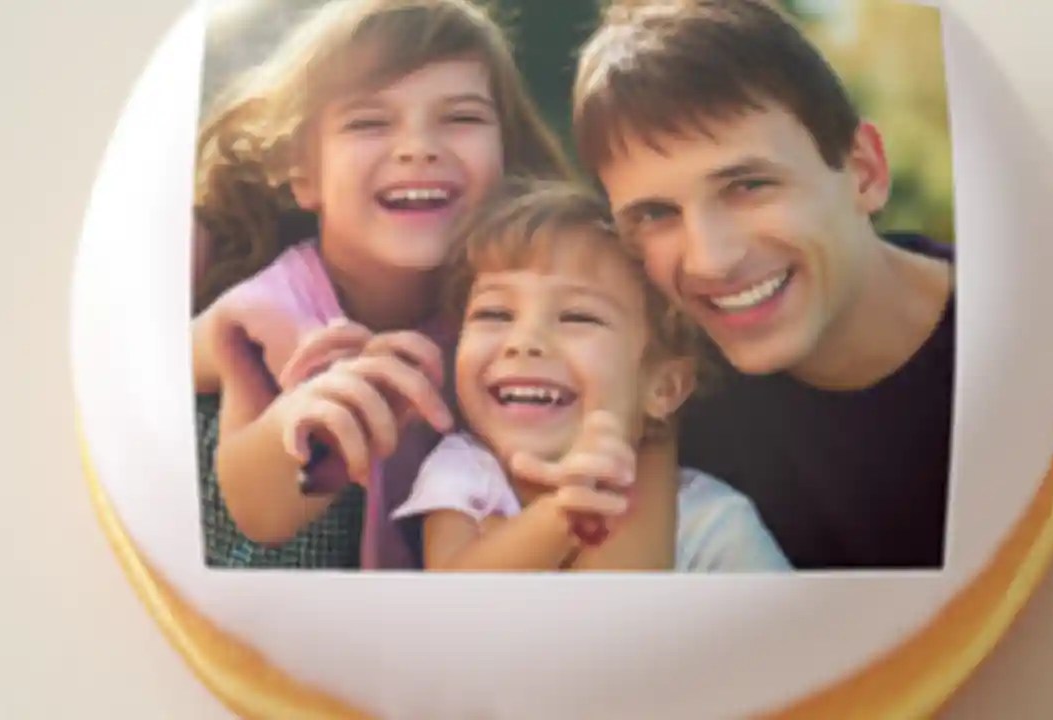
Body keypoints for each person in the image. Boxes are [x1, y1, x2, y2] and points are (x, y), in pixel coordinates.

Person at [571, 0, 955, 569]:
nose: (711, 261)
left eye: (748, 186)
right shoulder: (670, 403)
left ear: (865, 173)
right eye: (655, 214)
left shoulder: (1035, 345)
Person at [189, 0, 572, 569]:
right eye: (369, 122)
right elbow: (261, 513)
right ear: (305, 175)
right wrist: (306, 424)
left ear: (506, 164)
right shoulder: (272, 311)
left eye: (461, 118)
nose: (418, 147)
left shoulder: (520, 309)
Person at [390, 179, 790, 571]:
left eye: (577, 316)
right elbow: (452, 596)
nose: (524, 342)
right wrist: (562, 516)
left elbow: (788, 636)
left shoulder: (710, 521)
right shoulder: (464, 471)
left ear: (664, 388)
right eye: (494, 314)